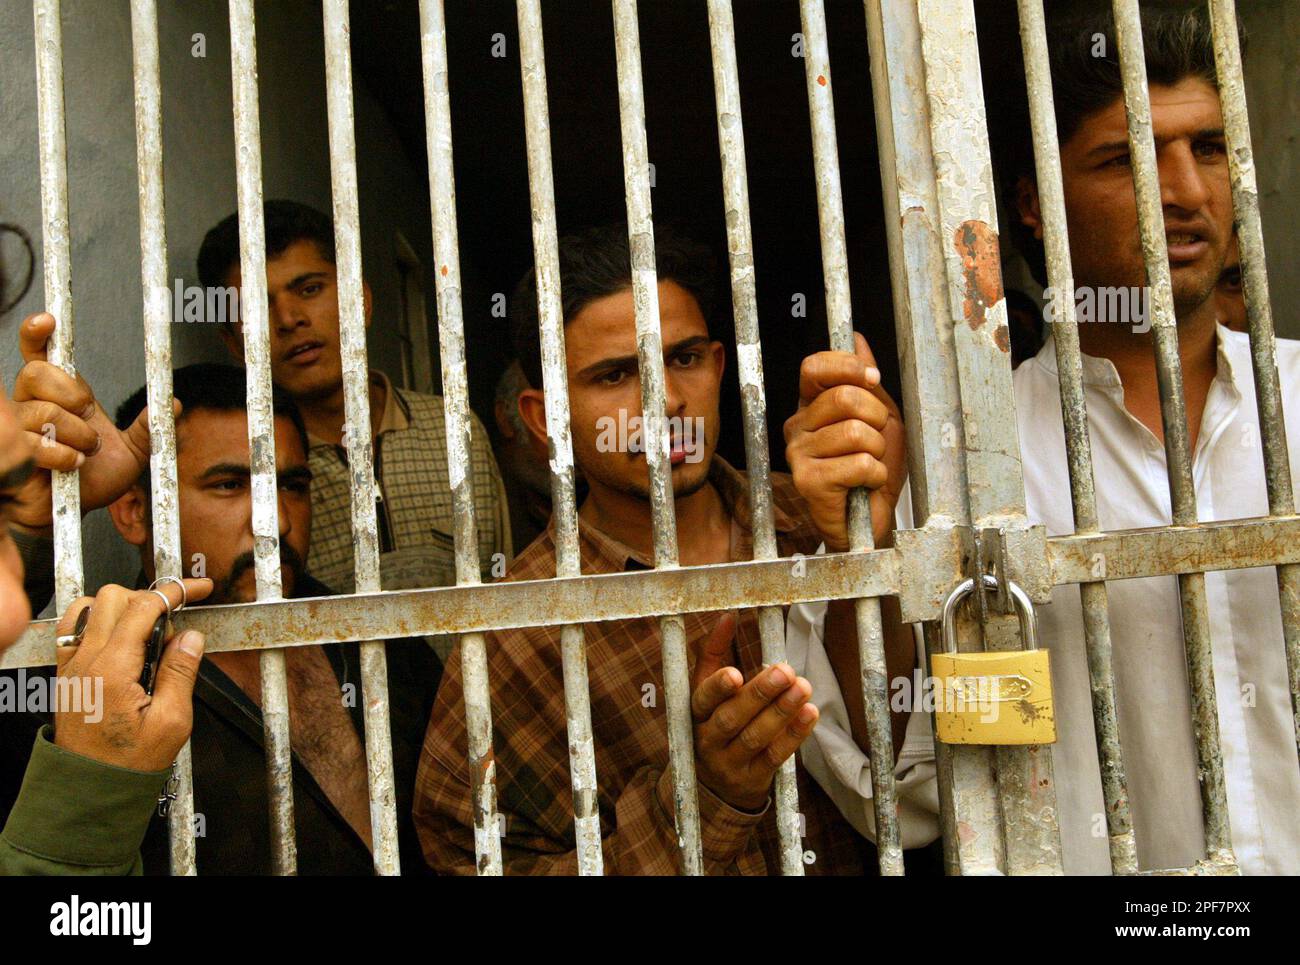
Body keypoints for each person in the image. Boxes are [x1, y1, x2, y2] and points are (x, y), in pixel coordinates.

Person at [794, 2, 1300, 874]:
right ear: (1032, 204)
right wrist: (866, 554)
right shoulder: (973, 471)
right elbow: (896, 786)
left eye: (1208, 148)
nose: (1181, 191)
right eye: (1124, 158)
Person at [412, 224, 912, 874]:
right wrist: (702, 800)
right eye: (616, 374)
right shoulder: (514, 640)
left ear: (719, 365)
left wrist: (865, 556)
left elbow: (931, 764)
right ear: (545, 418)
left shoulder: (810, 519)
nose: (667, 401)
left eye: (684, 358)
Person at [2, 350, 440, 874]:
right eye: (230, 485)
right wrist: (27, 535)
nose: (275, 521)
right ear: (136, 511)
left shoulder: (387, 644)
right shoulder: (83, 692)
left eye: (292, 486)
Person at [198, 201, 511, 633]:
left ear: (360, 300)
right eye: (256, 306)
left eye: (309, 289)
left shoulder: (454, 428)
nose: (289, 319)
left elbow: (506, 591)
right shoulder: (258, 474)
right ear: (233, 342)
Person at [0, 307, 209, 875]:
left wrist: (34, 533)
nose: (17, 614)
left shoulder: (386, 666)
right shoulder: (57, 707)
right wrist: (83, 807)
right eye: (227, 484)